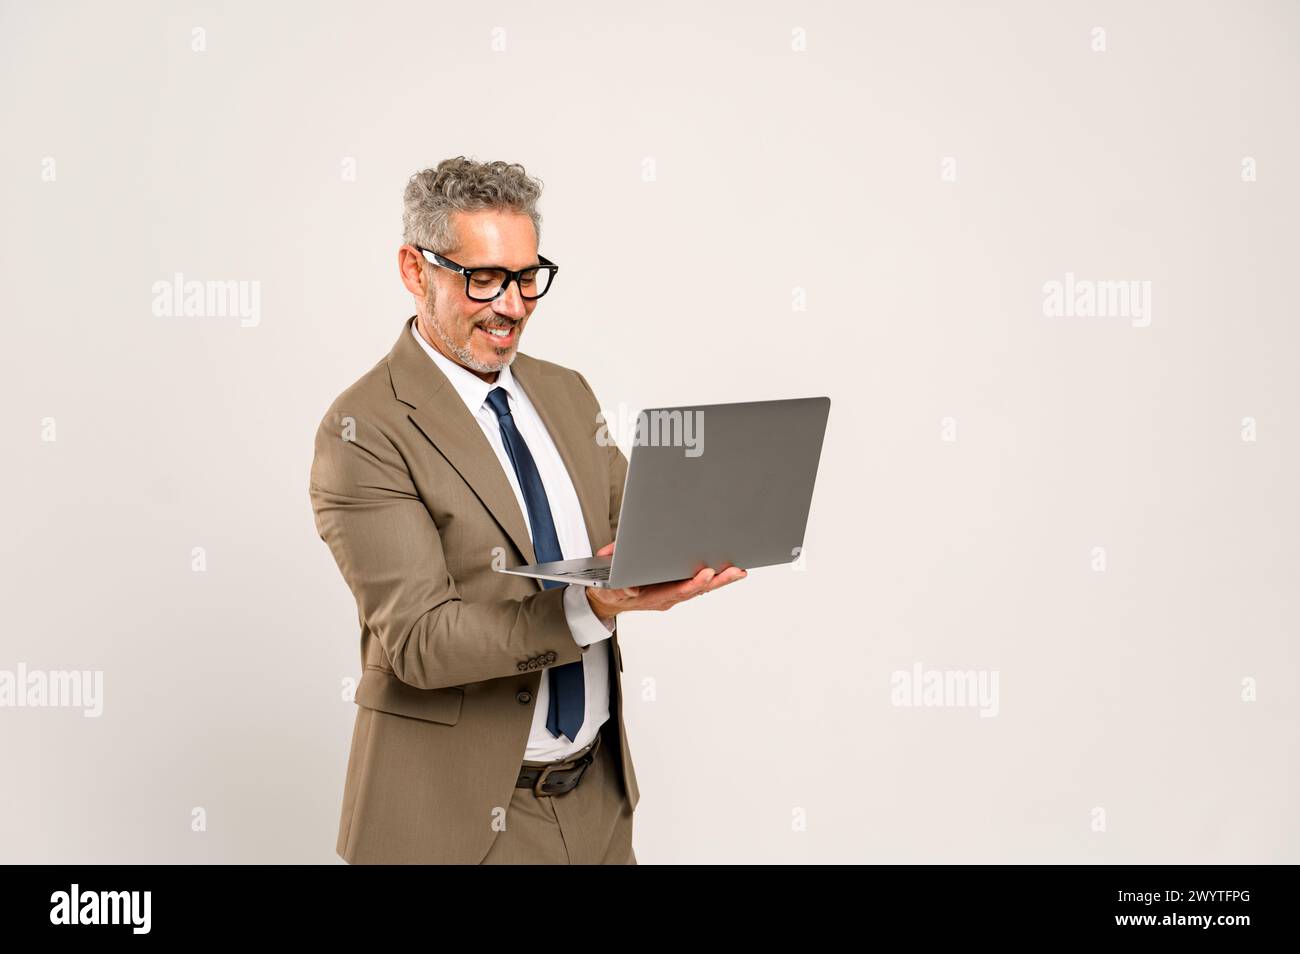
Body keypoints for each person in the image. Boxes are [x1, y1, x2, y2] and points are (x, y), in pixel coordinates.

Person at [309, 156, 746, 864]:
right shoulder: (364, 428)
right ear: (415, 271)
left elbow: (624, 538)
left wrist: (703, 528)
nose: (511, 305)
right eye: (482, 278)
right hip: (462, 822)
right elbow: (422, 641)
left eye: (525, 277)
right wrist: (595, 609)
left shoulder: (566, 392)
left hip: (598, 799)